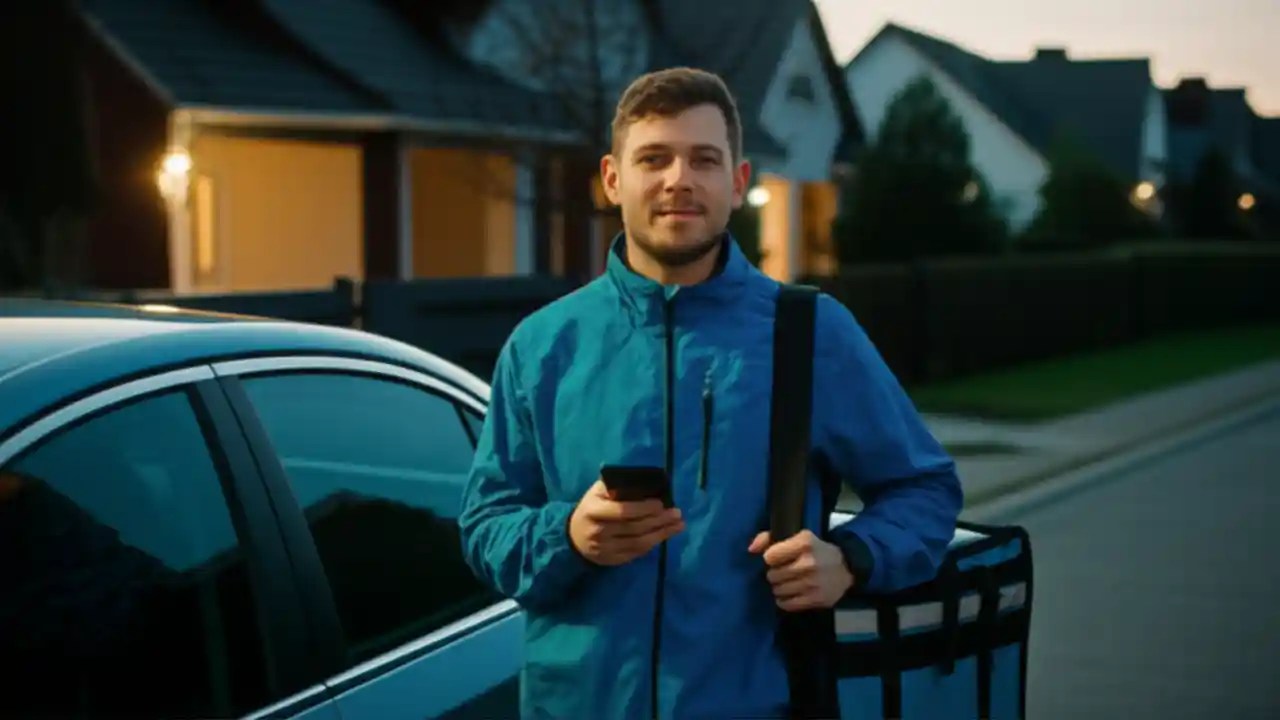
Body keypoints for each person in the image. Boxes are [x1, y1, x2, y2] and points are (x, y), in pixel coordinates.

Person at [458, 67, 963, 720]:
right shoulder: (542, 345)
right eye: (654, 159)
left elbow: (926, 490)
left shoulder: (810, 332)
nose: (678, 180)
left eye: (703, 159)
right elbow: (483, 524)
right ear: (614, 178)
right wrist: (569, 536)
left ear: (738, 180)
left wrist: (851, 558)